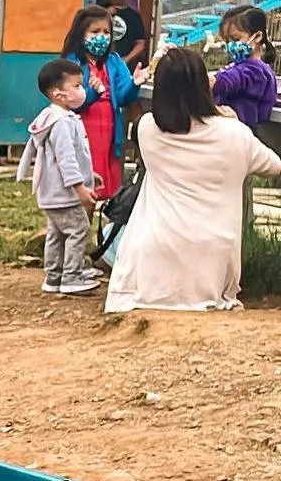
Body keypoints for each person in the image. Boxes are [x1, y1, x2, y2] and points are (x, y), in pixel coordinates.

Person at [105, 47, 281, 313]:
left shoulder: (148, 128)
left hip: (155, 254)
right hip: (212, 259)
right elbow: (274, 166)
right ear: (204, 85)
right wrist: (229, 118)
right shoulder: (235, 133)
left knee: (110, 233)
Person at [16, 59, 102, 296]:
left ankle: (54, 276)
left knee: (56, 234)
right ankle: (72, 275)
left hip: (51, 192)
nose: (82, 90)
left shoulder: (52, 117)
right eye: (76, 85)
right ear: (58, 94)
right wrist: (80, 188)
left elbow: (63, 158)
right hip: (64, 193)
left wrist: (89, 175)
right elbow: (66, 160)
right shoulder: (62, 122)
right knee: (79, 229)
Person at [62, 5, 149, 201]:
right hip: (83, 128)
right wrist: (93, 93)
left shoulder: (115, 61)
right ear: (81, 34)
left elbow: (124, 96)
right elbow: (72, 100)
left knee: (108, 184)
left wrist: (134, 84)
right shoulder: (72, 63)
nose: (102, 36)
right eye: (95, 31)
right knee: (86, 172)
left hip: (110, 128)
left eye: (106, 32)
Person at [210, 4, 278, 129]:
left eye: (235, 39)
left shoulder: (256, 71)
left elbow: (225, 81)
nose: (230, 45)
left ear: (257, 37)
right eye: (227, 41)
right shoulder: (238, 66)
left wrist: (190, 73)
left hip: (238, 137)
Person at [103, 0, 148, 71]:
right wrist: (105, 14)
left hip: (124, 67)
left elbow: (141, 43)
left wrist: (127, 59)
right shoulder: (99, 11)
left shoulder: (133, 16)